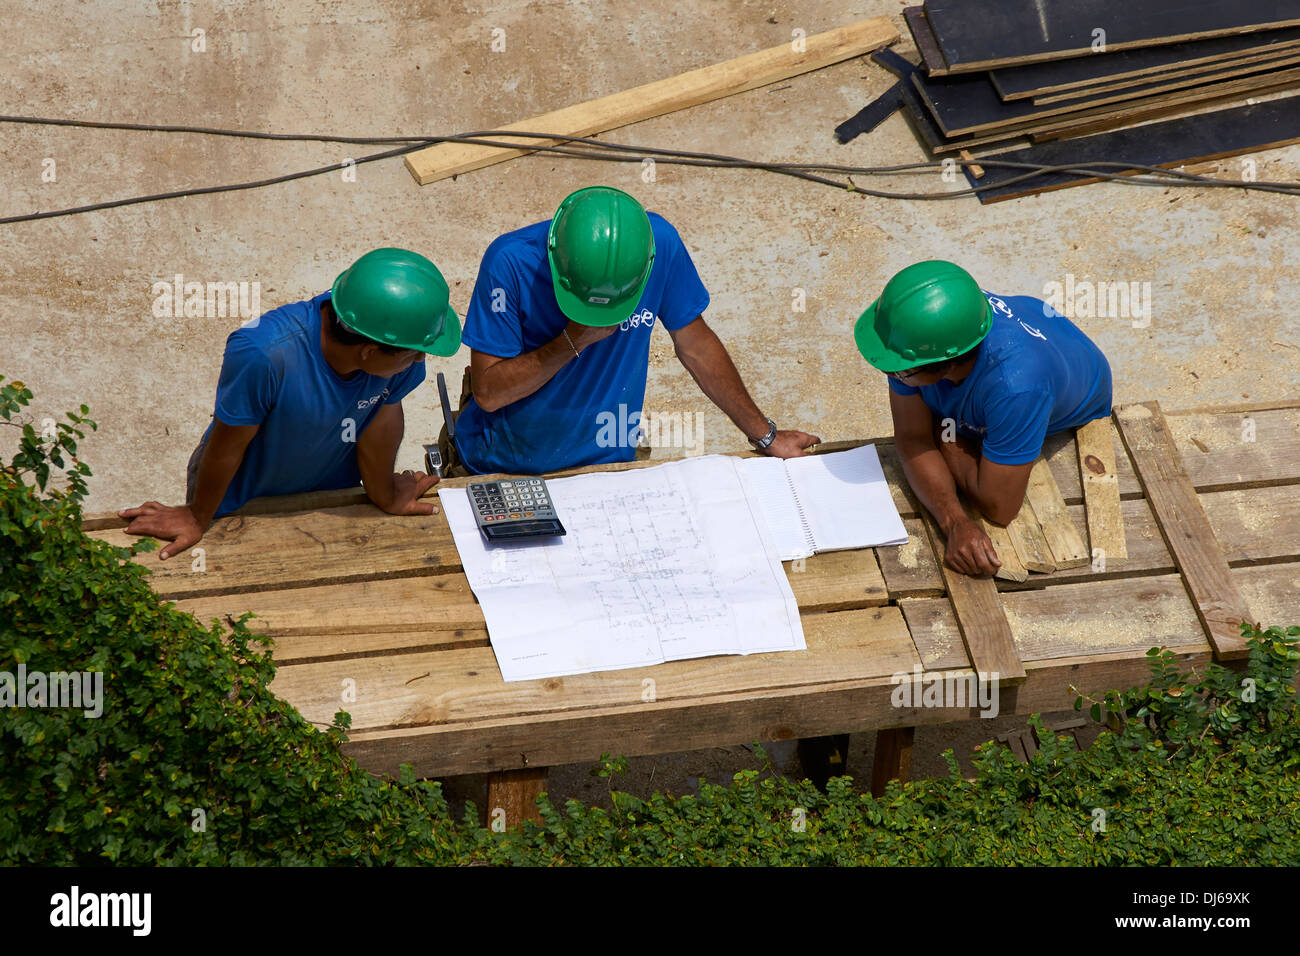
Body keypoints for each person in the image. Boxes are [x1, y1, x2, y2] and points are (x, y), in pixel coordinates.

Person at [439, 185, 820, 475]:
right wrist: (574, 339)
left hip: (604, 466)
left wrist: (766, 436)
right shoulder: (509, 263)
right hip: (503, 465)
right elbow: (488, 394)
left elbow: (697, 347)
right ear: (555, 258)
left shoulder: (661, 246)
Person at [119, 248, 462, 559]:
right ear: (369, 351)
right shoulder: (264, 354)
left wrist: (385, 494)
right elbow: (227, 446)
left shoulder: (388, 343)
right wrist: (196, 516)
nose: (420, 359)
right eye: (415, 352)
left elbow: (382, 417)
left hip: (325, 494)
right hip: (243, 497)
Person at [855, 259, 1113, 577]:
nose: (890, 373)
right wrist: (955, 522)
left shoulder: (1016, 388)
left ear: (945, 363)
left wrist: (944, 435)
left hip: (1066, 384)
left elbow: (1000, 506)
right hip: (1038, 333)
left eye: (899, 371)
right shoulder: (921, 338)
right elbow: (912, 439)